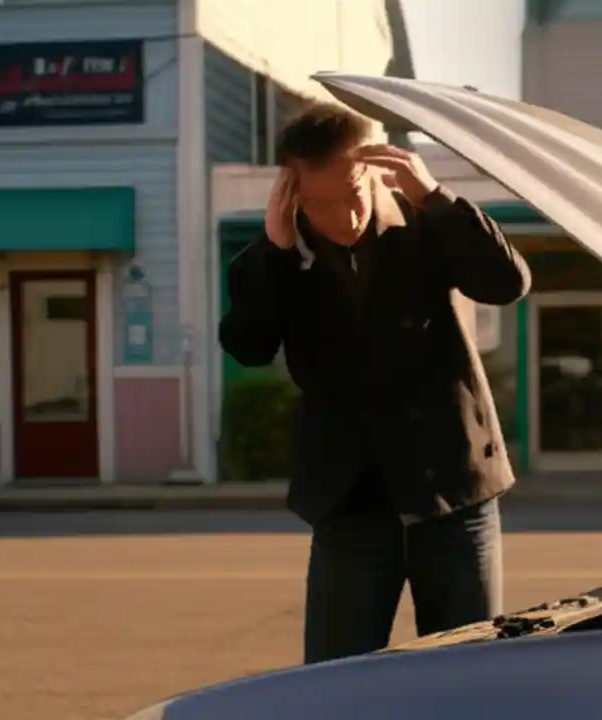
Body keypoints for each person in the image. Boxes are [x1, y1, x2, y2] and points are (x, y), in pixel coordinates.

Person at [219, 103, 530, 664]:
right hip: (351, 503)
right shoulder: (271, 263)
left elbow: (507, 282)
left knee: (470, 679)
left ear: (379, 171)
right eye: (320, 203)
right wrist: (277, 253)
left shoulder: (427, 228)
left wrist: (435, 196)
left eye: (353, 192)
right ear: (291, 194)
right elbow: (248, 345)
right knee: (338, 684)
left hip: (454, 493)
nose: (344, 215)